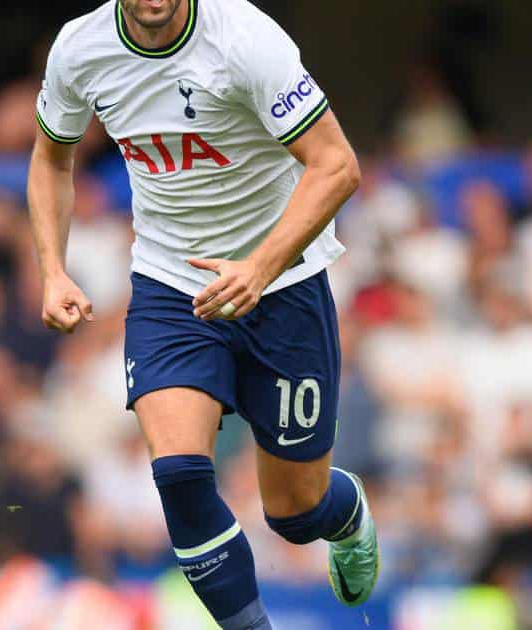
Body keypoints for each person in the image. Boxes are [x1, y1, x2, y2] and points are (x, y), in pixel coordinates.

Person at [27, 1, 375, 627]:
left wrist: (259, 268)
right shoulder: (80, 48)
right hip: (171, 285)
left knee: (296, 513)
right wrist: (53, 268)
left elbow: (337, 165)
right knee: (180, 474)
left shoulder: (243, 38)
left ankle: (345, 513)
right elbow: (52, 157)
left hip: (284, 284)